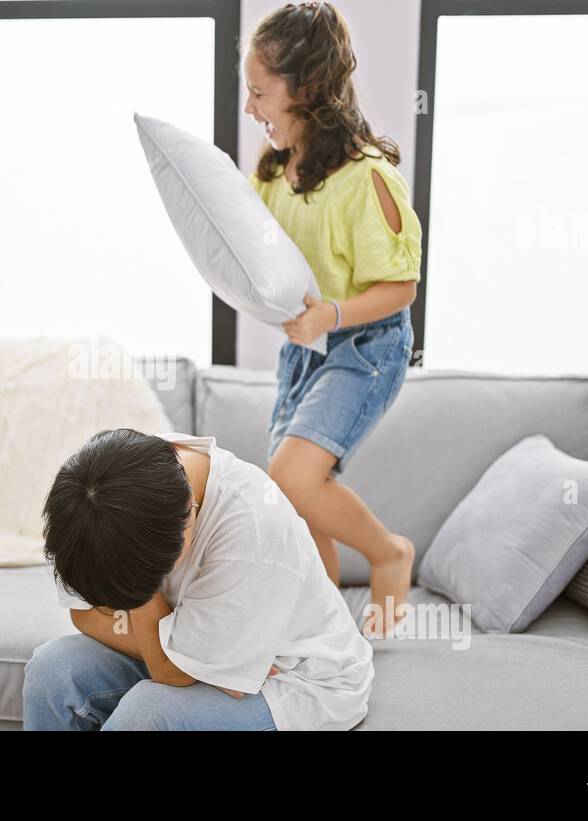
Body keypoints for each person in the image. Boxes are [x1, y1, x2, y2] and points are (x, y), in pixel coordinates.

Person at [245, 2, 423, 637]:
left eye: (260, 94)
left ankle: (388, 553)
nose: (250, 110)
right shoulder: (271, 173)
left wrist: (331, 316)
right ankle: (329, 641)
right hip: (308, 348)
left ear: (309, 91)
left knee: (291, 476)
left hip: (366, 345)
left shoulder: (367, 178)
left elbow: (401, 286)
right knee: (299, 508)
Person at [22, 428, 373, 731]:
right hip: (189, 644)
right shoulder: (100, 493)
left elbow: (171, 674)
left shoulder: (252, 529)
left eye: (143, 580)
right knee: (52, 670)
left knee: (146, 714)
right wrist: (197, 661)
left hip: (300, 678)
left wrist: (144, 601)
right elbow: (83, 615)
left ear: (189, 510)